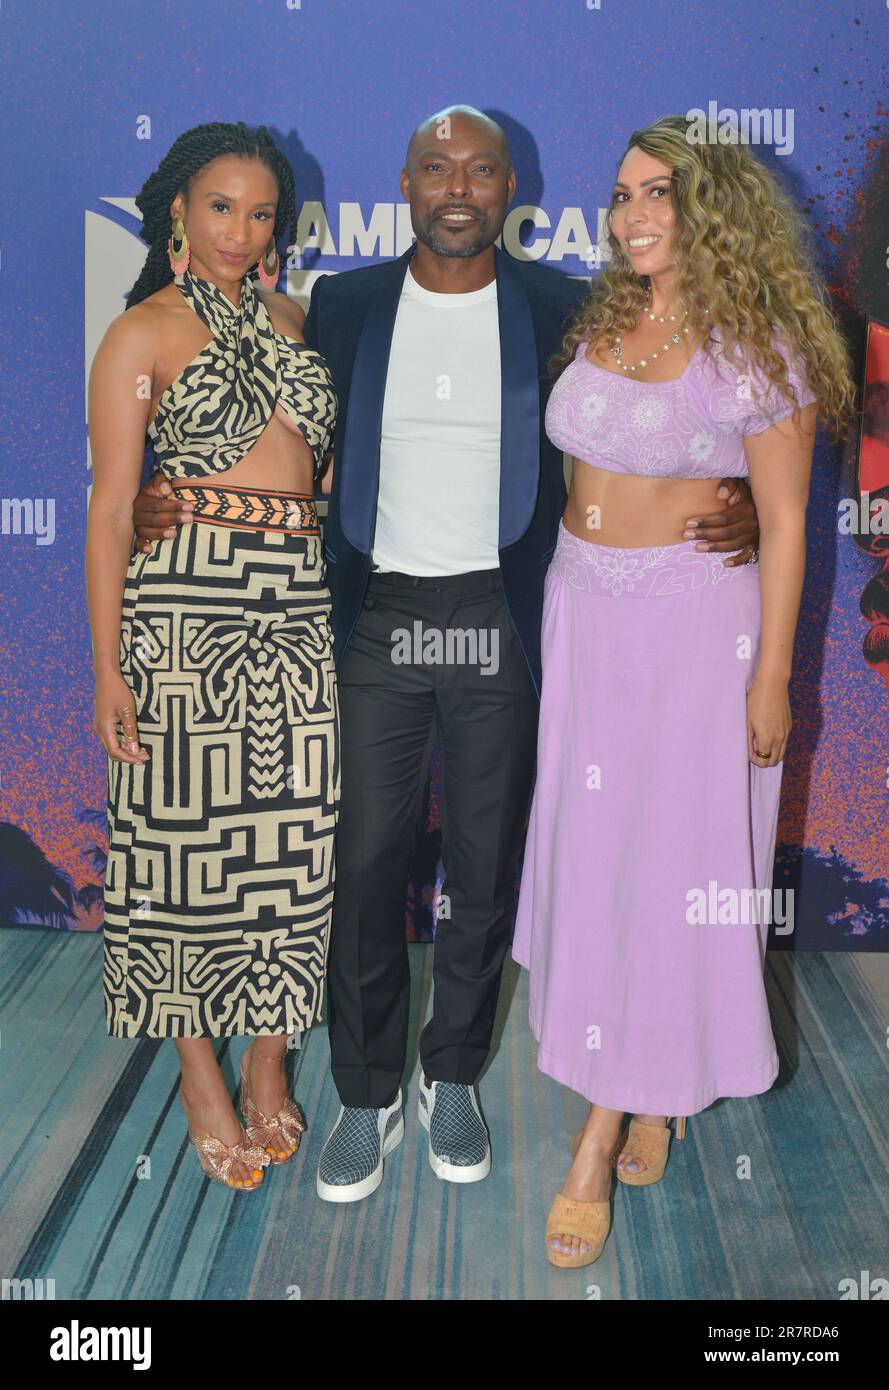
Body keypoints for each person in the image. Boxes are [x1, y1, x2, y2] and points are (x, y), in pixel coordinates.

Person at [130, 106, 761, 1204]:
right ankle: (368, 1092)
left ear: (510, 183)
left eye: (479, 169)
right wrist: (168, 497)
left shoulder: (565, 307)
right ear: (408, 182)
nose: (457, 187)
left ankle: (452, 1073)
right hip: (375, 614)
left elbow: (676, 390)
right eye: (435, 168)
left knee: (482, 868)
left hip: (499, 619)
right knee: (361, 866)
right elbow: (256, 425)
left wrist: (748, 494)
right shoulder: (345, 304)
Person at [510, 115, 856, 1267]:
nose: (631, 213)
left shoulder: (760, 346)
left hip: (690, 637)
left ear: (712, 207)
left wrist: (771, 682)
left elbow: (793, 517)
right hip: (584, 619)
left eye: (659, 192)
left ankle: (597, 1136)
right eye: (620, 194)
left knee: (668, 869)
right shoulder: (603, 315)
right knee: (601, 863)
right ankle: (647, 1081)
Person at [86, 122, 339, 1191]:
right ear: (180, 213)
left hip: (296, 607)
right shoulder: (139, 331)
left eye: (261, 212)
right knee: (181, 847)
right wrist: (107, 668)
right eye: (221, 207)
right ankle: (199, 1069)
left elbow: (320, 476)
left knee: (296, 838)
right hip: (183, 612)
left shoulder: (294, 318)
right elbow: (108, 510)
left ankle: (271, 1057)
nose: (241, 230)